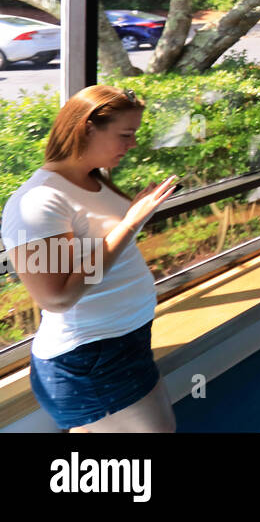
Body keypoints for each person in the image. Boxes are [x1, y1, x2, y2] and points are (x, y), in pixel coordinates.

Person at [1, 85, 181, 432]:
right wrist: (130, 223)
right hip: (90, 358)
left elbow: (105, 250)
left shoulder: (92, 181)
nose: (132, 145)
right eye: (125, 134)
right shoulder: (39, 202)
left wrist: (132, 218)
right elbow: (56, 298)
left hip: (127, 340)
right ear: (87, 128)